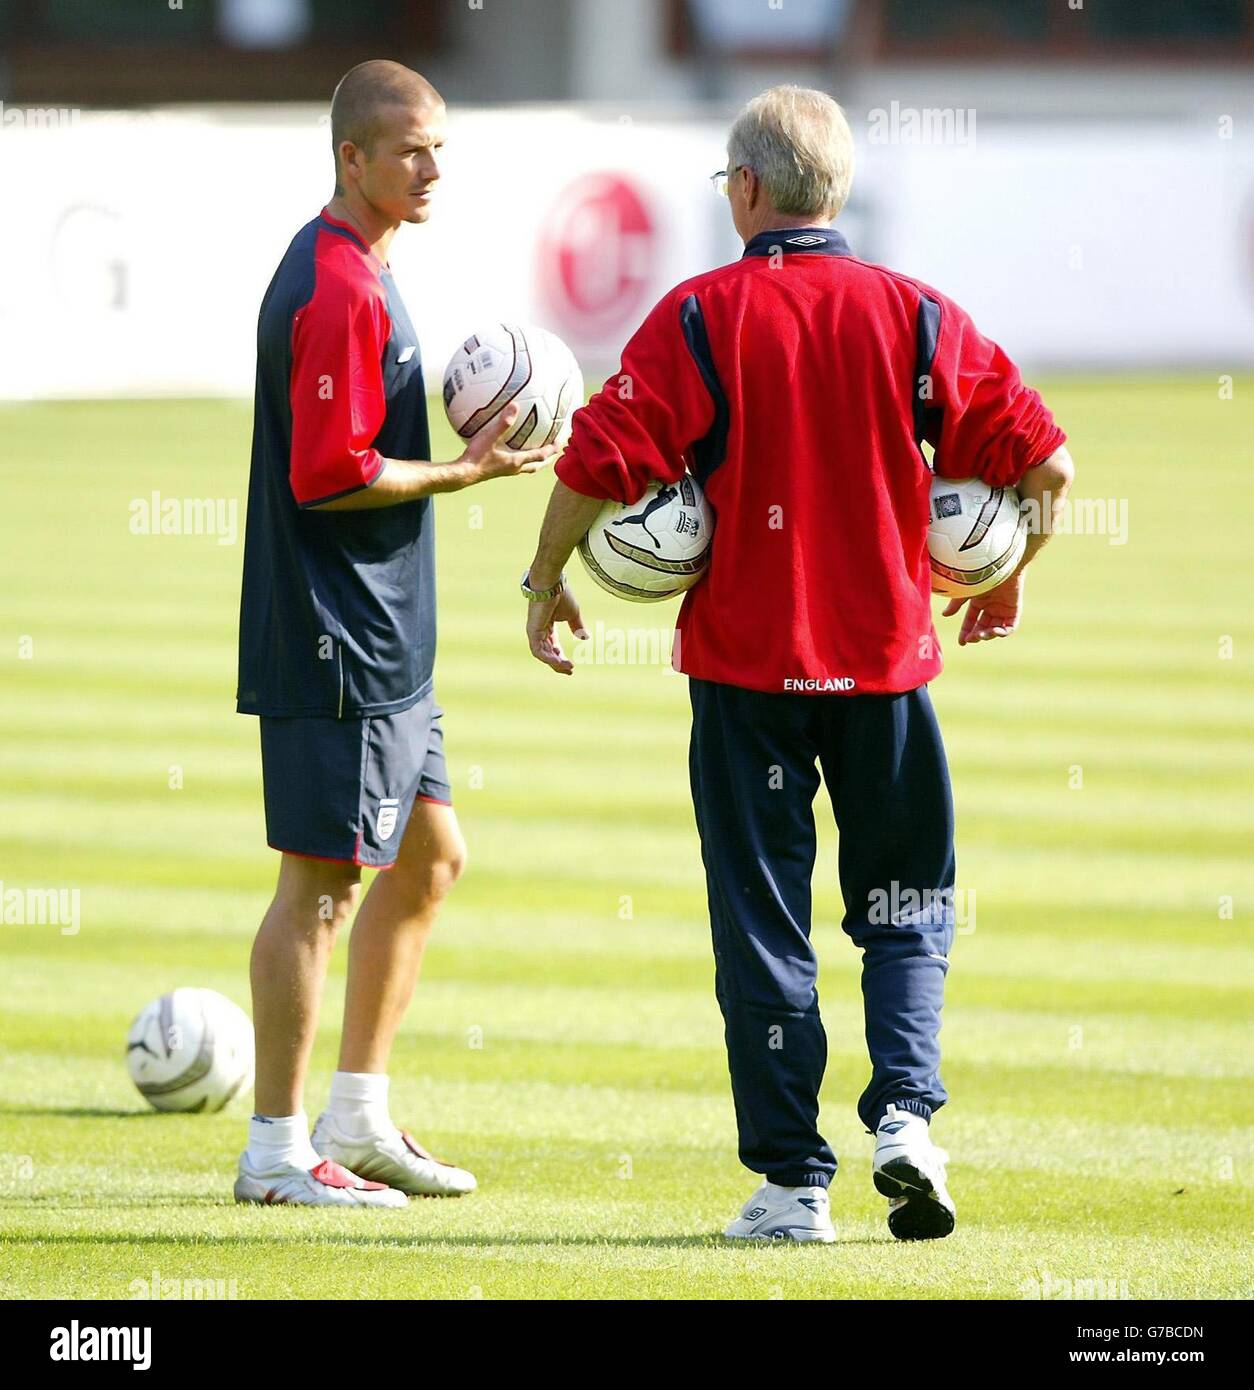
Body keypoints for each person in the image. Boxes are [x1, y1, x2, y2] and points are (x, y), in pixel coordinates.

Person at [522, 85, 1074, 1242]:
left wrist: (545, 583)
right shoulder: (913, 311)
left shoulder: (699, 316)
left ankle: (791, 1189)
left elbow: (595, 460)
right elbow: (1046, 467)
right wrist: (1003, 571)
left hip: (746, 679)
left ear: (747, 192)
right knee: (906, 904)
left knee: (767, 931)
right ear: (838, 192)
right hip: (885, 671)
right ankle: (909, 1118)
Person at [234, 60, 555, 1206]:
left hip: (388, 643)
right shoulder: (339, 287)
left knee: (429, 859)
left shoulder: (364, 265)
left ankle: (358, 1118)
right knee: (319, 889)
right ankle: (275, 1151)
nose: (430, 168)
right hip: (338, 641)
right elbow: (329, 478)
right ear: (351, 160)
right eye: (408, 150)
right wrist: (463, 475)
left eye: (439, 149)